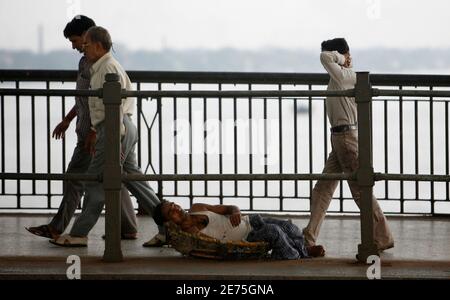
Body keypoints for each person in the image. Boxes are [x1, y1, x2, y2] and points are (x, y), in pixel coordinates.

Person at [50, 26, 165, 247]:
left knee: (95, 181)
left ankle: (79, 234)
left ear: (99, 46)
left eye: (86, 45)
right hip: (123, 127)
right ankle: (166, 227)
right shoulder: (104, 66)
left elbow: (113, 107)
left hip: (114, 129)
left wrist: (108, 138)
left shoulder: (107, 68)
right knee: (136, 182)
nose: (83, 49)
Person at [26, 15, 138, 241]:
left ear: (90, 38)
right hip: (92, 129)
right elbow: (85, 98)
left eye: (77, 41)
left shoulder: (100, 65)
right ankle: (129, 227)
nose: (75, 46)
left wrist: (94, 133)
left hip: (94, 132)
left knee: (78, 178)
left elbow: (101, 101)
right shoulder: (87, 62)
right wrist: (68, 119)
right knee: (120, 176)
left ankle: (65, 229)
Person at [302, 38, 395, 252]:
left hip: (345, 139)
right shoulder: (340, 76)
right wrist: (341, 58)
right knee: (323, 189)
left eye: (335, 56)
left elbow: (324, 57)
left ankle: (382, 237)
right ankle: (308, 239)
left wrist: (341, 57)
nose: (329, 61)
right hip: (340, 139)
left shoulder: (345, 76)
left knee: (360, 190)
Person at [154, 200, 326, 259]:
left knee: (290, 227)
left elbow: (229, 207)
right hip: (246, 238)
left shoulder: (197, 207)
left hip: (250, 221)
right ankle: (301, 253)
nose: (176, 208)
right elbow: (207, 248)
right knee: (274, 231)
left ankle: (300, 250)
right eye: (171, 212)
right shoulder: (190, 235)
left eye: (173, 205)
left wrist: (235, 211)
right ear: (170, 222)